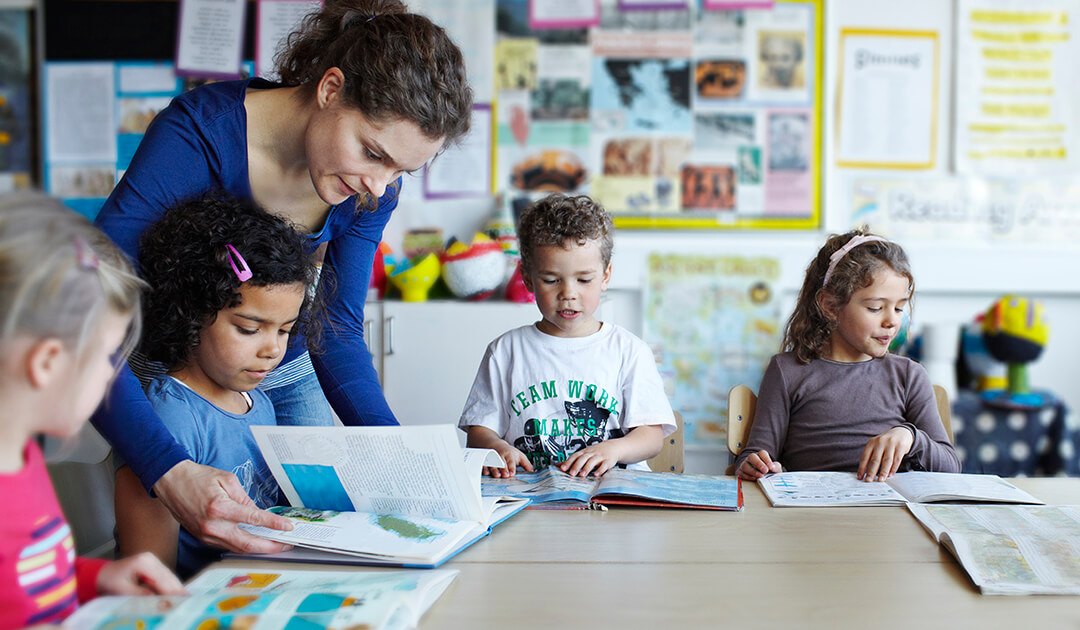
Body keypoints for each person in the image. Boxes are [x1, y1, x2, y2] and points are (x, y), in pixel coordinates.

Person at [91, 0, 473, 556]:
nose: (379, 187)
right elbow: (88, 310)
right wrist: (168, 469)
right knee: (184, 529)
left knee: (321, 537)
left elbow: (336, 330)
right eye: (372, 153)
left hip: (285, 364)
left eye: (401, 172)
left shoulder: (372, 188)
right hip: (173, 360)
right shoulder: (198, 133)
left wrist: (406, 461)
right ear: (330, 88)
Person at [0, 193, 185, 629]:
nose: (111, 376)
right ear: (45, 363)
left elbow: (31, 579)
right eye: (106, 356)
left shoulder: (20, 457)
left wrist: (96, 577)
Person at [115, 196, 321, 578]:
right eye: (248, 329)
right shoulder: (169, 416)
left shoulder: (257, 400)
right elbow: (148, 575)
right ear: (192, 313)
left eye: (285, 330)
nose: (272, 349)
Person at [458, 194, 676, 478]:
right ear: (527, 278)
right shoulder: (505, 351)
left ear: (606, 276)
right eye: (551, 280)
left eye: (584, 279)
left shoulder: (629, 350)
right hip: (530, 499)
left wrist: (614, 450)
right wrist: (495, 447)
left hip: (610, 501)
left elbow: (651, 436)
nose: (568, 293)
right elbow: (478, 432)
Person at [735, 230, 961, 483]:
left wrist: (910, 437)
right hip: (810, 514)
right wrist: (755, 466)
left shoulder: (909, 375)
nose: (892, 321)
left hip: (889, 516)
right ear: (831, 306)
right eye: (875, 308)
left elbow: (951, 468)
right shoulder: (787, 370)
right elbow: (755, 455)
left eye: (899, 307)